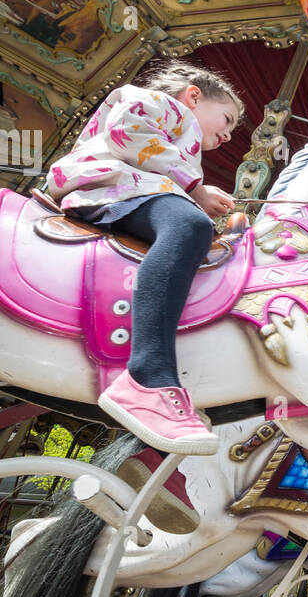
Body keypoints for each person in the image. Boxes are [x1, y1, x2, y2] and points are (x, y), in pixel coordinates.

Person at [45, 60, 242, 455]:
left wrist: (194, 189)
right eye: (227, 118)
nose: (228, 134)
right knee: (189, 227)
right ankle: (147, 376)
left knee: (193, 230)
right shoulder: (157, 104)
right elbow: (128, 132)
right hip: (107, 186)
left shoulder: (181, 141)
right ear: (193, 95)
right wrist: (194, 190)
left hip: (128, 188)